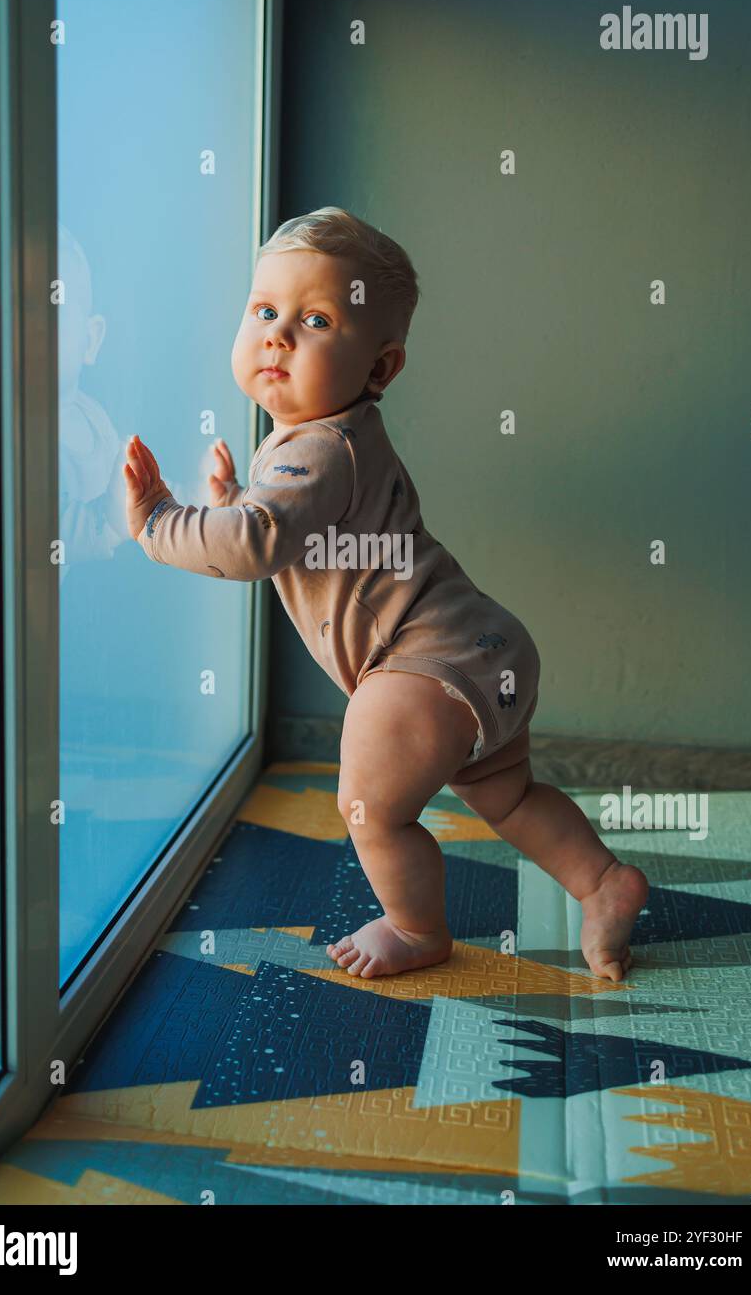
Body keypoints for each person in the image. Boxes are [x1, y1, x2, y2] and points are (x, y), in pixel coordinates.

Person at [124, 206, 648, 980]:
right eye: (266, 311)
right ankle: (603, 882)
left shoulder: (319, 450)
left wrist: (161, 521)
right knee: (506, 796)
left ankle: (416, 930)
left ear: (379, 367)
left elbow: (256, 544)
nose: (278, 335)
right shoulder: (327, 443)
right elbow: (283, 527)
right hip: (484, 646)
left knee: (368, 808)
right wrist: (238, 496)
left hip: (420, 664)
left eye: (317, 320)